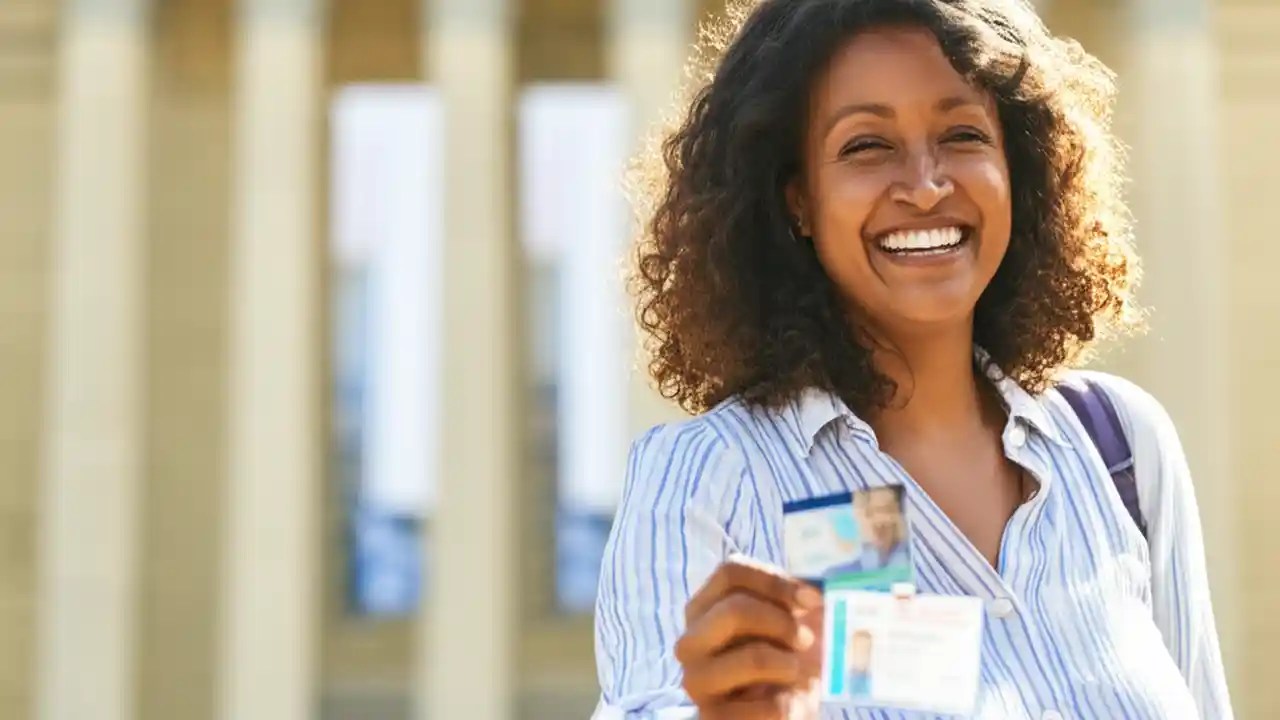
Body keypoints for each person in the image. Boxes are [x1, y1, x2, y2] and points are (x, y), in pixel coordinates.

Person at [593, 0, 1233, 718]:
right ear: (797, 199)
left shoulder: (1121, 451)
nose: (926, 186)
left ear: (1016, 169)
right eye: (866, 146)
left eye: (962, 134)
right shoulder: (708, 479)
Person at [825, 487, 910, 577]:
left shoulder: (908, 557)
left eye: (884, 510)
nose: (878, 519)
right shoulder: (840, 573)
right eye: (870, 512)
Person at [844, 630, 875, 700]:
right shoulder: (848, 678)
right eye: (860, 650)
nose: (863, 655)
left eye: (867, 650)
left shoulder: (870, 676)